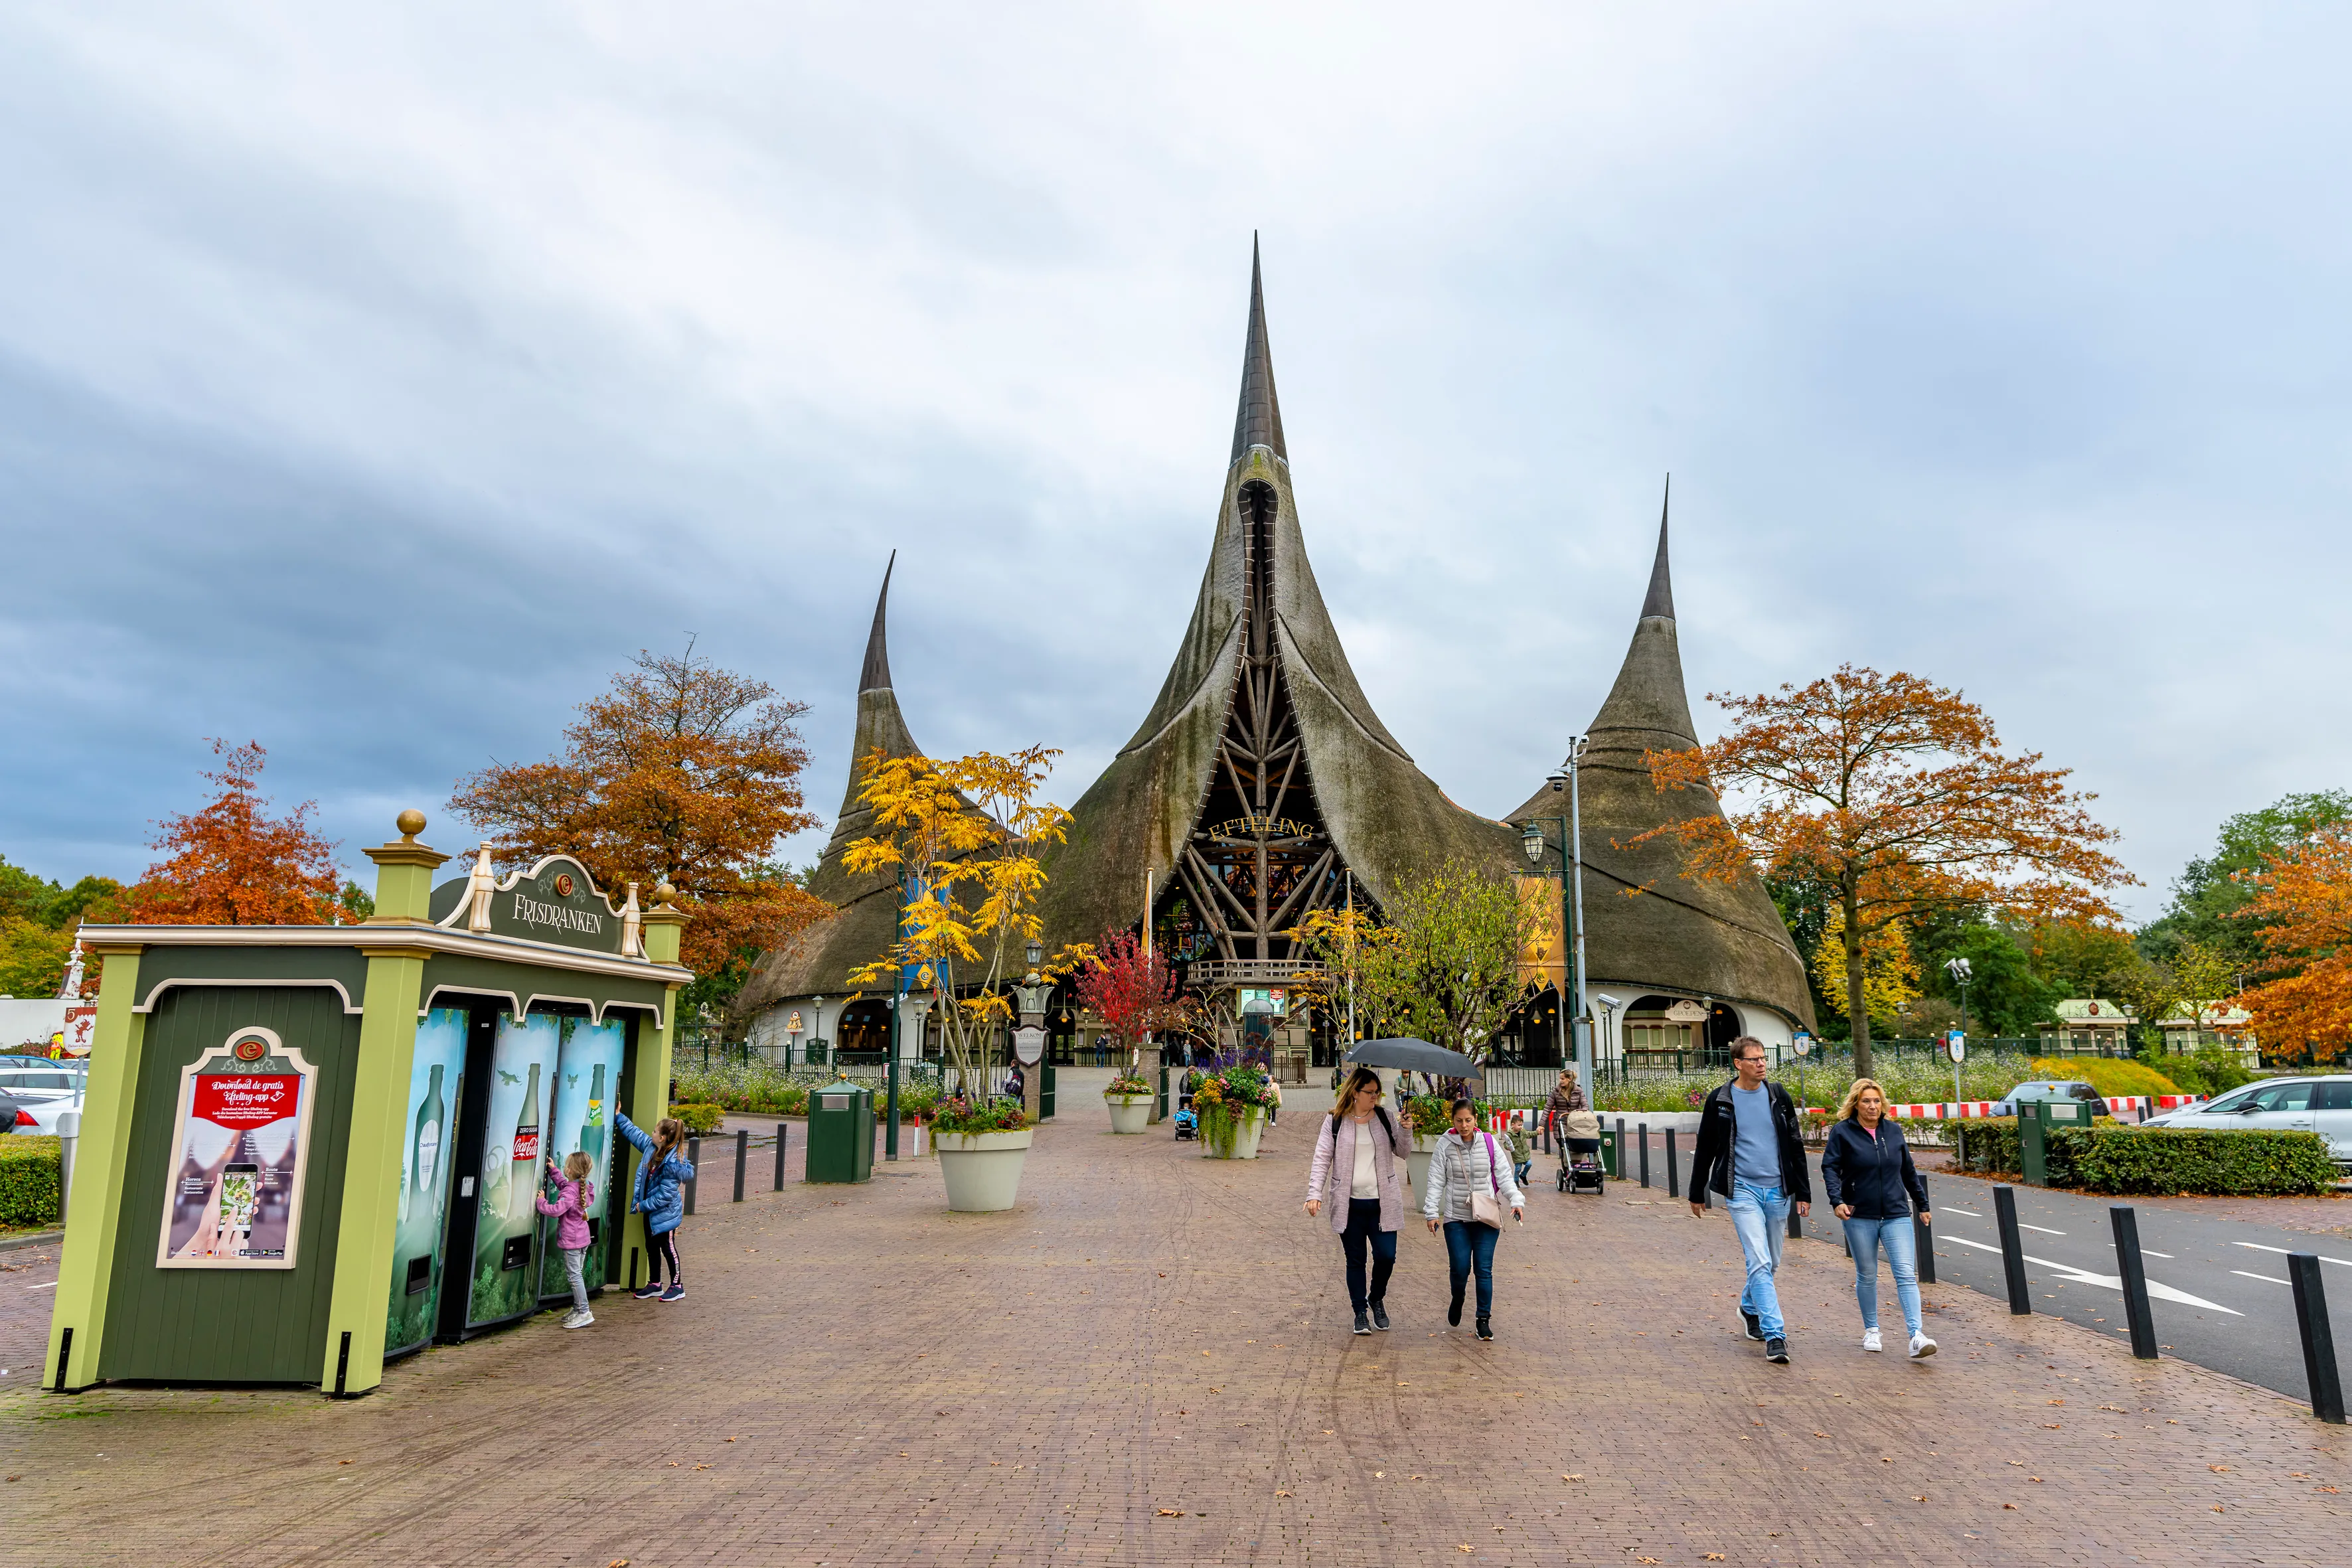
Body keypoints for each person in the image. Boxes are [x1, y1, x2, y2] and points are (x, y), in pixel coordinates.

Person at [1686, 1036, 1812, 1363]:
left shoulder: (1778, 1095)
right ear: (1737, 1064)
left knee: (1772, 1261)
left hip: (1778, 1190)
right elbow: (1706, 1147)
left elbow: (1795, 1143)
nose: (1761, 1064)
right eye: (1754, 1059)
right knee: (1758, 1260)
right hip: (1742, 1190)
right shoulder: (1721, 1100)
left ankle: (1748, 1306)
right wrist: (1696, 1190)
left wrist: (1804, 1190)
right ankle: (1776, 1335)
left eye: (1763, 1058)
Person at [1822, 1078, 1937, 1359]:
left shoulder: (1893, 1131)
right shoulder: (1843, 1132)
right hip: (1859, 1214)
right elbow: (1830, 1168)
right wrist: (1837, 1201)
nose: (1872, 1106)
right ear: (1856, 1104)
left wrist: (1922, 1204)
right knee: (1867, 1274)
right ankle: (1872, 1329)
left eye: (1876, 1101)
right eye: (1866, 1101)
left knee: (1906, 1275)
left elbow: (1908, 1171)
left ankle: (1916, 1336)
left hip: (1896, 1213)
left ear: (1882, 1104)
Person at [1304, 1066, 1411, 1335]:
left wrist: (1407, 1129)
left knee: (1387, 1257)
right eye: (1370, 1092)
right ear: (1355, 1092)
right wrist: (1314, 1194)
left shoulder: (1386, 1117)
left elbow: (1403, 1152)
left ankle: (1376, 1298)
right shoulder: (1335, 1121)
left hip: (1382, 1203)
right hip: (1349, 1204)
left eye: (1378, 1092)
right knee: (1356, 1260)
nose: (1375, 1096)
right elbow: (1321, 1159)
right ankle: (1360, 1312)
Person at [1422, 1099, 1524, 1339]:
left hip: (1486, 1218)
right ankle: (1458, 1298)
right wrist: (1431, 1212)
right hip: (1456, 1218)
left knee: (1483, 1269)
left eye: (1468, 1120)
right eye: (1459, 1121)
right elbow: (1436, 1181)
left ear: (1476, 1119)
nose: (1464, 1125)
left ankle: (1483, 1319)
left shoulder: (1488, 1142)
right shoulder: (1445, 1145)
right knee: (1459, 1268)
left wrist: (1517, 1201)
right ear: (1453, 1121)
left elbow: (1505, 1176)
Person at [616, 1110, 695, 1302]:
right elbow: (635, 1134)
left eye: (654, 1131)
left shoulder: (672, 1164)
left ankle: (677, 1286)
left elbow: (664, 1197)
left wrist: (642, 1206)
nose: (650, 1133)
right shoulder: (653, 1147)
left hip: (665, 1214)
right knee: (651, 1246)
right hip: (650, 1211)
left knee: (668, 1248)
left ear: (661, 1137)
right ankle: (655, 1284)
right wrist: (619, 1116)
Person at [536, 1150, 599, 1328]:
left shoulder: (570, 1193)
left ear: (571, 1170)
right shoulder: (582, 1187)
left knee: (574, 1277)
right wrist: (554, 1171)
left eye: (566, 1166)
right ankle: (579, 1309)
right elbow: (566, 1186)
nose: (564, 1168)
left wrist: (541, 1202)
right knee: (576, 1275)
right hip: (582, 1238)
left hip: (572, 1241)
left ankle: (584, 1312)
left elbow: (556, 1210)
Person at [1505, 1115, 1533, 1187]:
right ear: (1513, 1125)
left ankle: (1523, 1175)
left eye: (1521, 1125)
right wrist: (1508, 1147)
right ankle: (1516, 1180)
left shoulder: (1523, 1131)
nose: (1521, 1127)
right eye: (1519, 1125)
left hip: (1525, 1153)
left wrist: (1537, 1132)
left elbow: (1529, 1134)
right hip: (1517, 1154)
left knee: (1529, 1164)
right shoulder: (1510, 1134)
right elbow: (1506, 1143)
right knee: (1518, 1168)